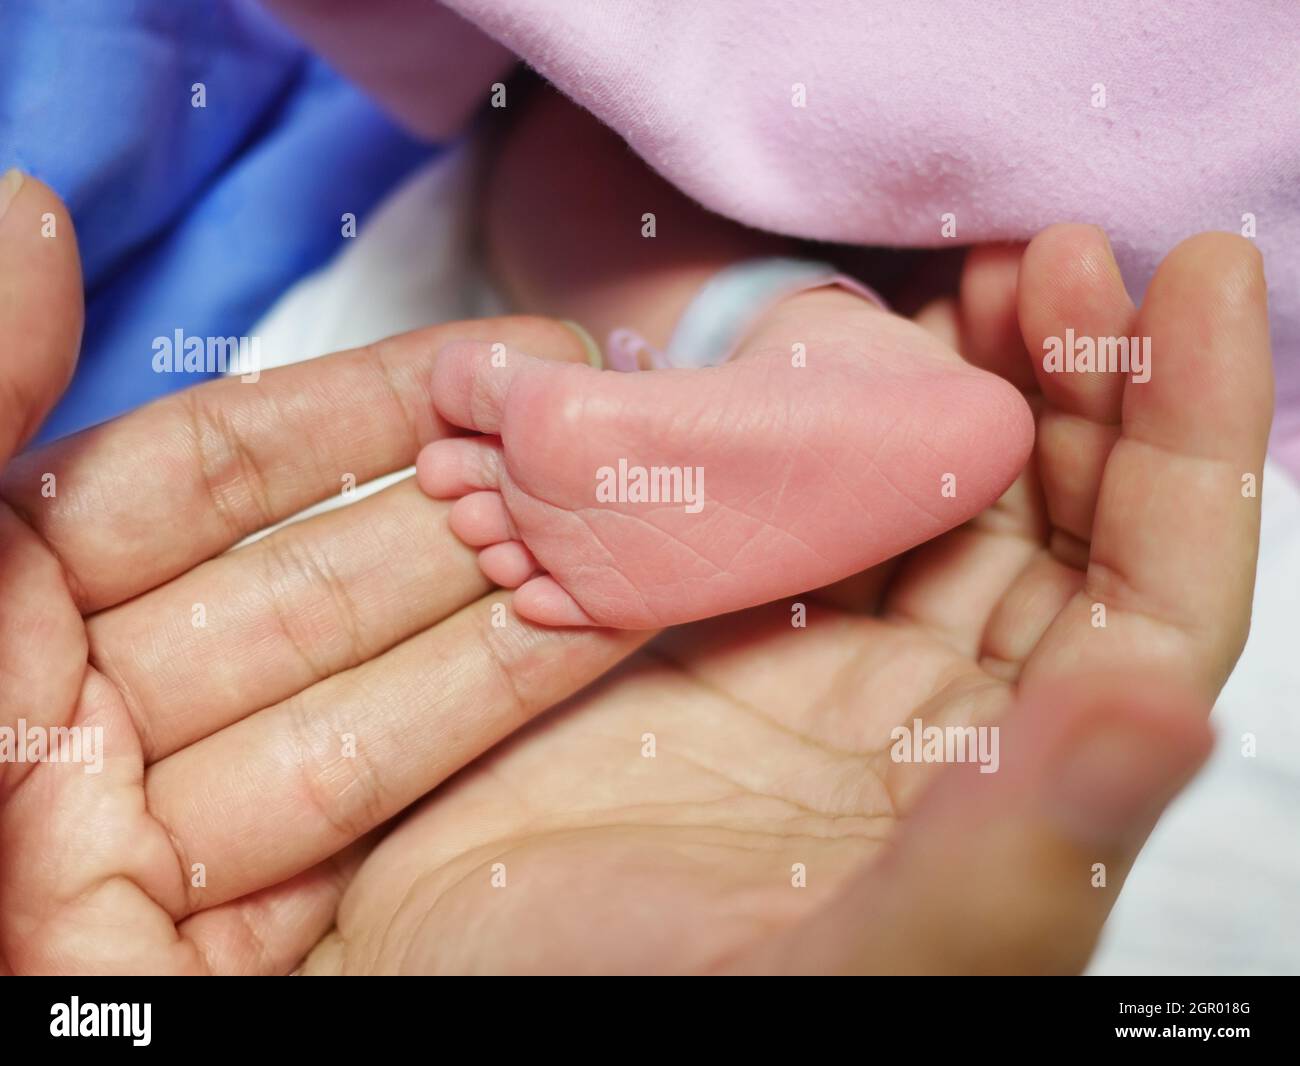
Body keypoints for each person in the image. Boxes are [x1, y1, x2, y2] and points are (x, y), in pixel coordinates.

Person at [0, 173, 1269, 973]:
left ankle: (773, 329)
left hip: (813, 135)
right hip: (1151, 276)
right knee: (579, 157)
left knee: (568, 169)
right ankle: (787, 349)